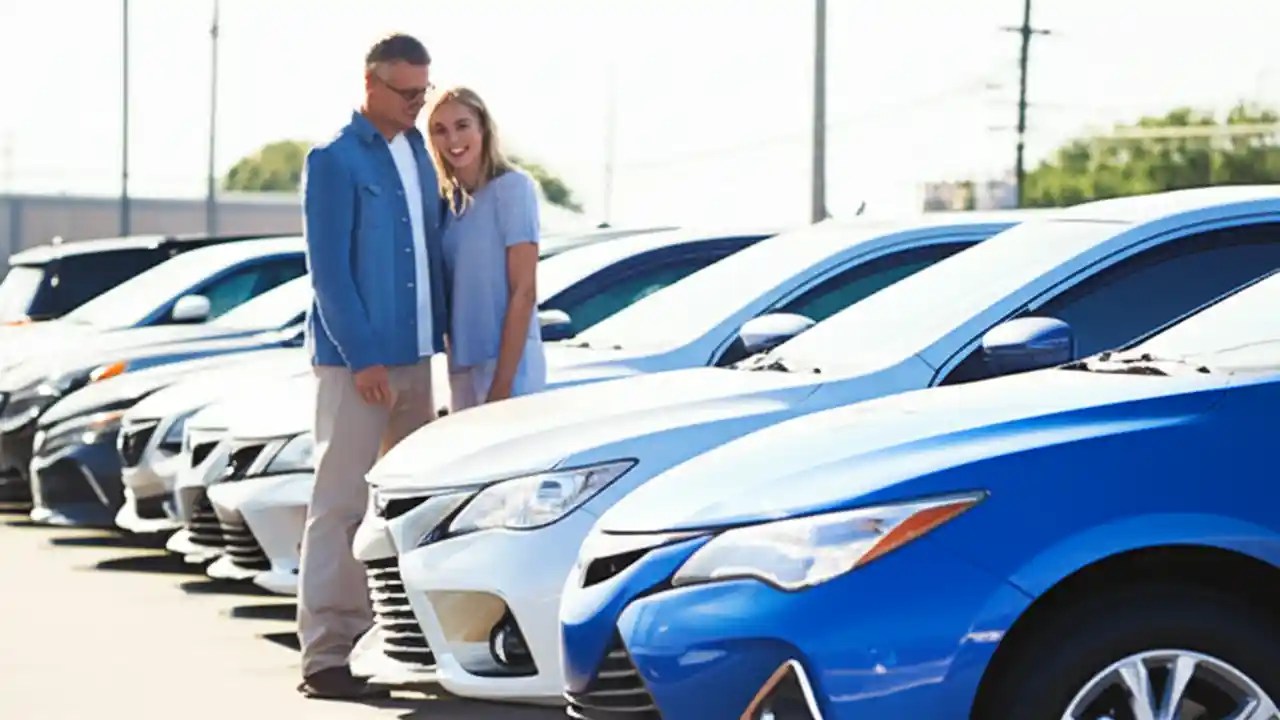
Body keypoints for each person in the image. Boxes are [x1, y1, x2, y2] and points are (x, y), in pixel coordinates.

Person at [296, 33, 448, 700]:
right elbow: (327, 270)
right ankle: (326, 658)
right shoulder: (333, 159)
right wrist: (362, 357)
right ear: (370, 86)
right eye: (407, 92)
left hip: (417, 361)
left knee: (409, 509)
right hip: (360, 365)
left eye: (425, 90)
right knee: (340, 505)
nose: (419, 103)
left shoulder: (419, 152)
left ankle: (403, 646)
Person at [426, 87, 547, 408]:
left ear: (483, 128)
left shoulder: (513, 189)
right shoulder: (448, 204)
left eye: (462, 125)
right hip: (462, 367)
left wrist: (502, 385)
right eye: (440, 130)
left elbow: (524, 291)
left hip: (509, 368)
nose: (452, 139)